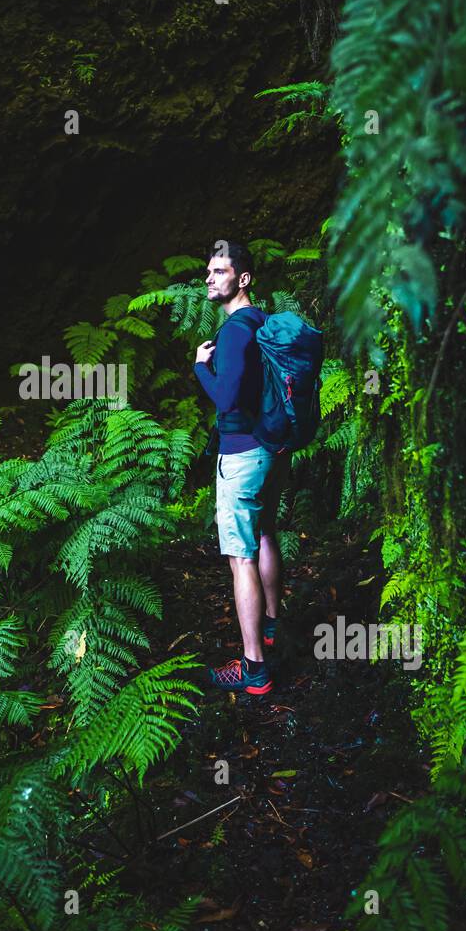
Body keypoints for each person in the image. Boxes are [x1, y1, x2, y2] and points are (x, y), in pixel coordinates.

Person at [193, 241, 290, 695]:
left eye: (220, 271)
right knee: (266, 530)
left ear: (243, 279)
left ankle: (255, 667)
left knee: (241, 556)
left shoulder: (234, 331)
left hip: (242, 454)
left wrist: (200, 368)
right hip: (271, 449)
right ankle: (273, 624)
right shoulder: (262, 322)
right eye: (208, 271)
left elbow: (227, 398)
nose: (209, 278)